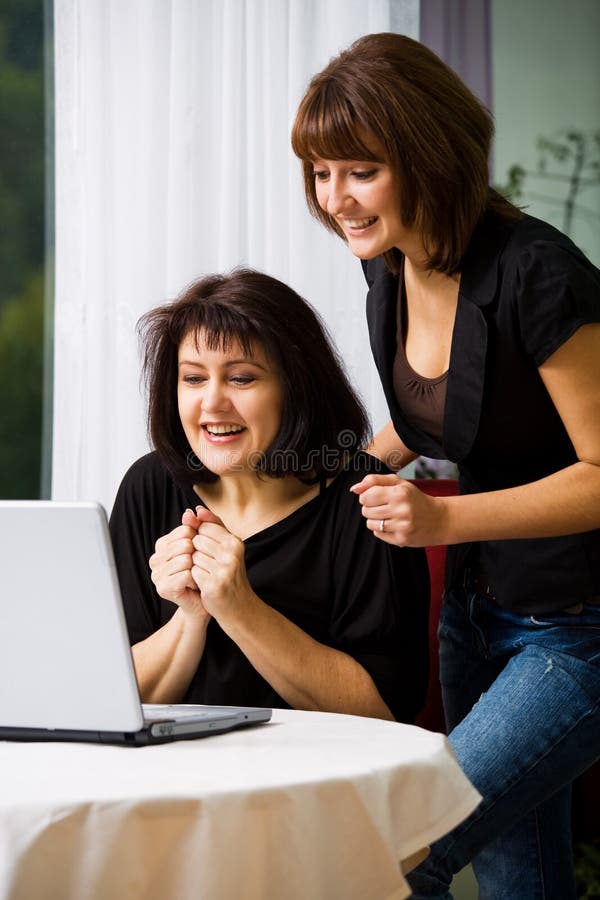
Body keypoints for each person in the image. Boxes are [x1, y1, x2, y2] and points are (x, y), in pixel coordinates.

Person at [291, 31, 600, 900]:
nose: (336, 199)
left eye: (359, 169)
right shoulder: (391, 267)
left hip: (578, 631)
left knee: (395, 850)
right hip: (477, 614)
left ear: (424, 154)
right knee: (517, 873)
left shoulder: (537, 274)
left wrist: (443, 517)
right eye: (320, 172)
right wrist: (313, 471)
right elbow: (435, 410)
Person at [109, 267, 429, 725]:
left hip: (311, 787)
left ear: (296, 388)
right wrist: (191, 616)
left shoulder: (366, 497)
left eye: (241, 379)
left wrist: (240, 607)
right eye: (194, 379)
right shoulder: (148, 486)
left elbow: (382, 715)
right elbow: (119, 698)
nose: (212, 403)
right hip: (176, 781)